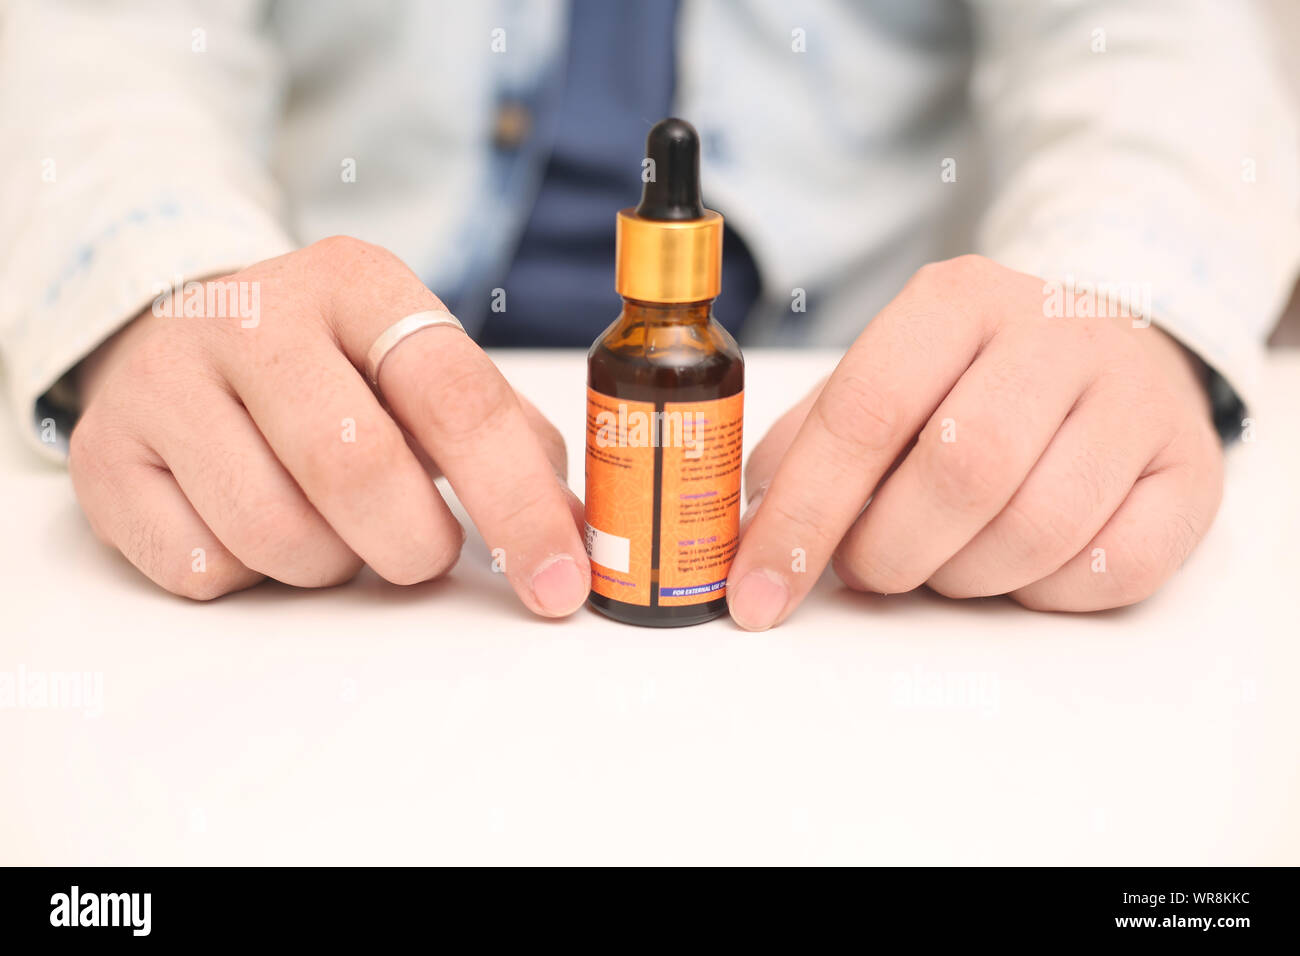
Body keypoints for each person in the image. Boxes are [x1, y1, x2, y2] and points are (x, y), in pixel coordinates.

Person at [2, 0, 1296, 629]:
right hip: (317, 401)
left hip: (882, 428)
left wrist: (1129, 297)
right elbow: (104, 40)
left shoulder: (700, 366)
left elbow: (1147, 50)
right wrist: (159, 281)